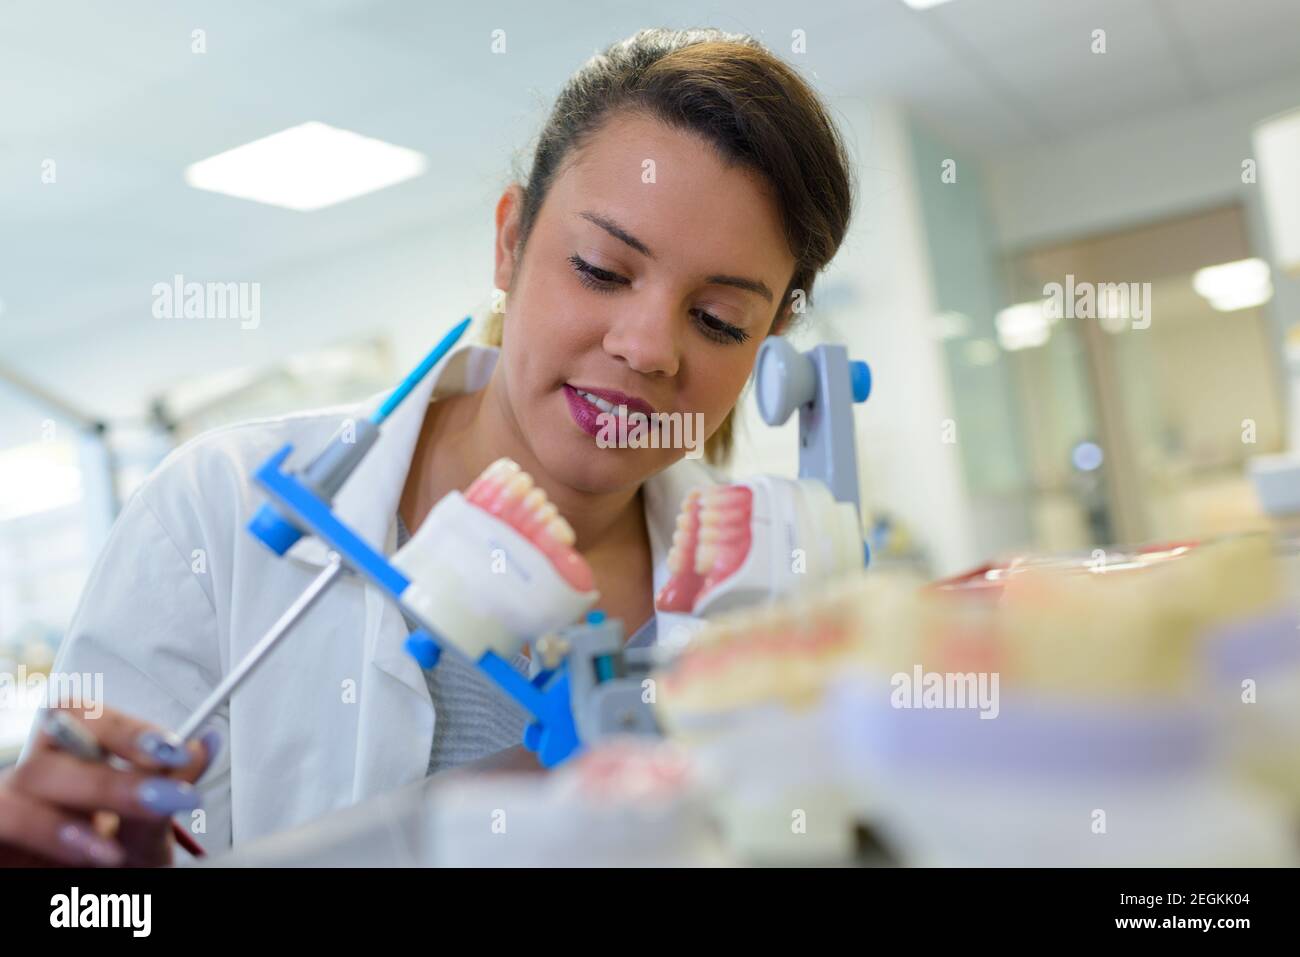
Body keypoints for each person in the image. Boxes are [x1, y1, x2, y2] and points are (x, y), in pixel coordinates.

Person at [0, 26, 854, 865]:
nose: (647, 347)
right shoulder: (214, 510)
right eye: (600, 268)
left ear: (767, 342)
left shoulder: (780, 600)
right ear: (511, 241)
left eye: (718, 320)